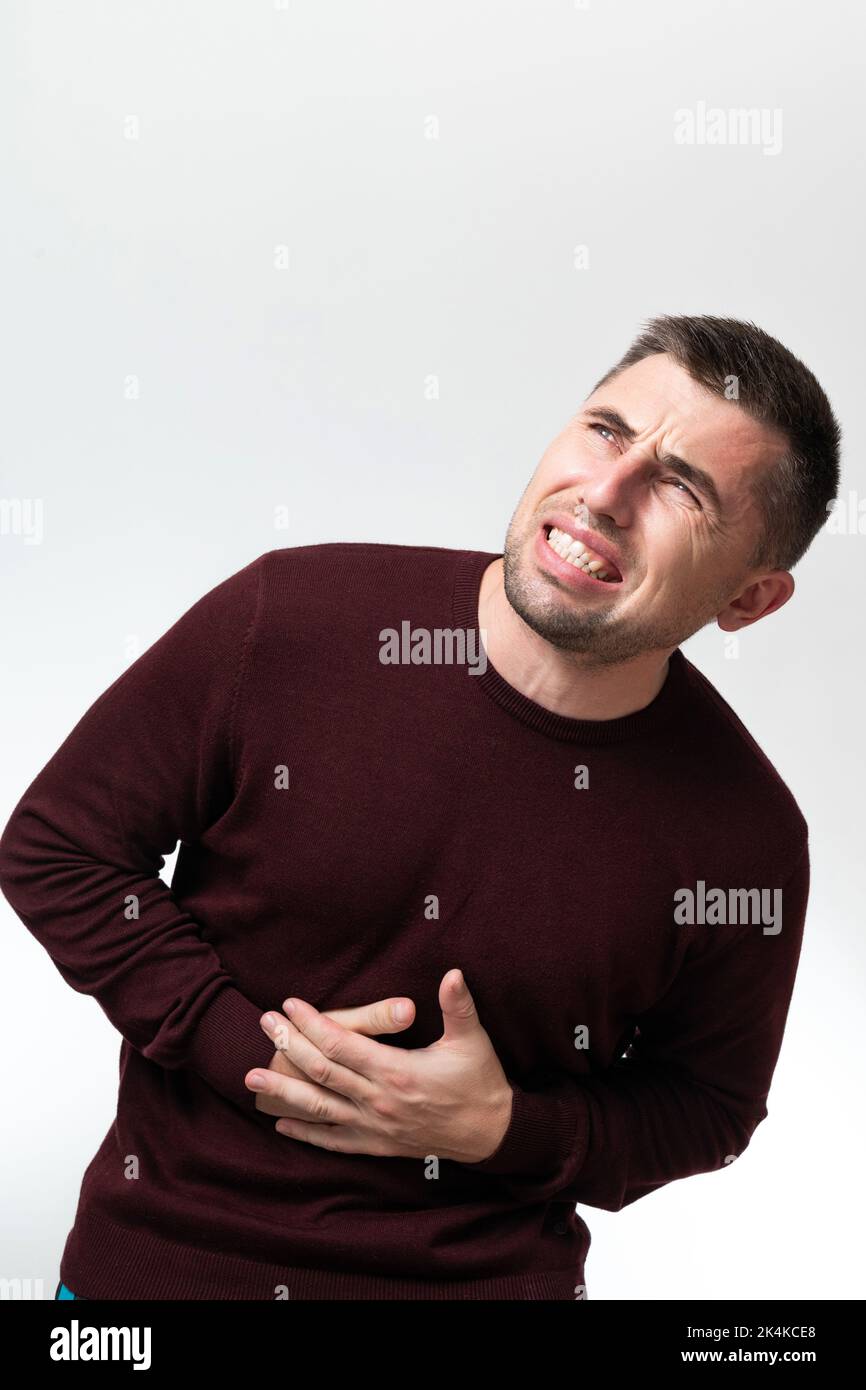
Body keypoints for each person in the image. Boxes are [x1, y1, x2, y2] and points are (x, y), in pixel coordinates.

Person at [0, 314, 840, 1301]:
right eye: (606, 431)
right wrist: (249, 1050)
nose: (604, 493)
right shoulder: (290, 620)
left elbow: (705, 1107)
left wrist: (496, 1127)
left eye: (680, 487)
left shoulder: (744, 837)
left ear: (746, 599)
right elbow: (61, 847)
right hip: (152, 1282)